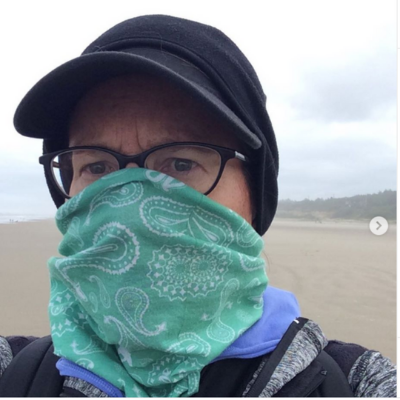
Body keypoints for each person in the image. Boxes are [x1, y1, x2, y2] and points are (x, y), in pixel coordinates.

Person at [0, 15, 396, 397]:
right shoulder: (15, 374)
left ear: (254, 197)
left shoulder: (355, 385)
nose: (130, 201)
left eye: (181, 163)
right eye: (97, 167)